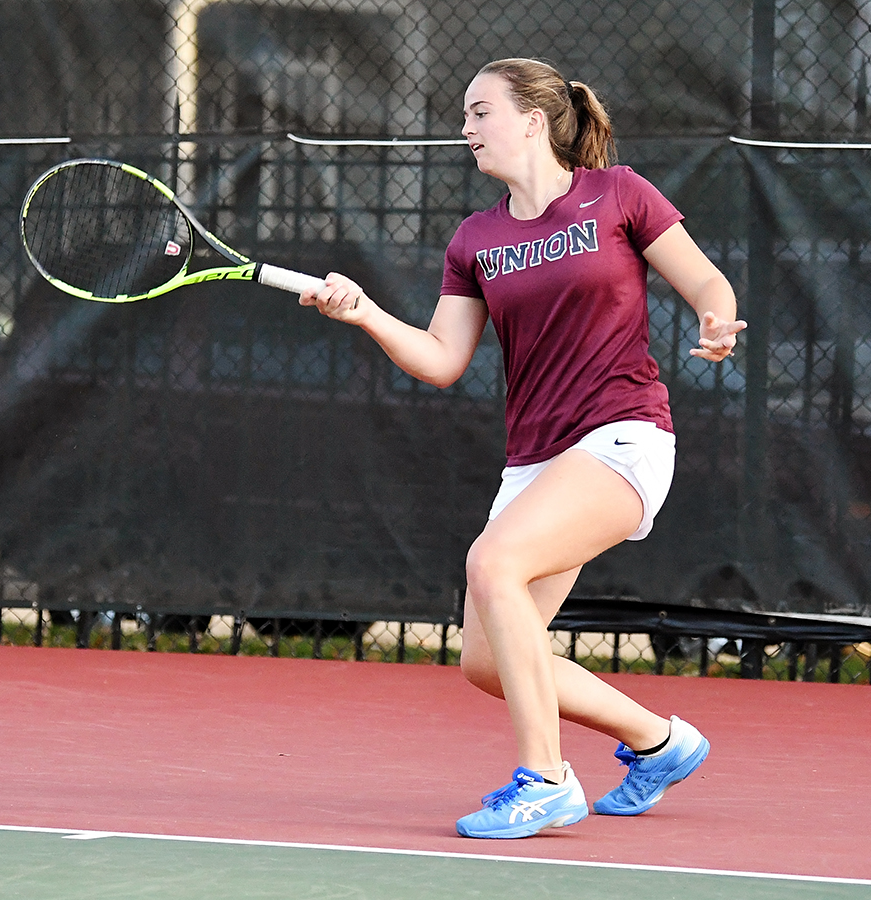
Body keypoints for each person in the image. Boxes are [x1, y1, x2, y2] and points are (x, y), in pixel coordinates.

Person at [300, 58, 745, 839]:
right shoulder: (476, 239)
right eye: (465, 115)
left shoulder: (619, 194)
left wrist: (716, 317)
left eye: (481, 112)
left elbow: (707, 281)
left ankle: (546, 780)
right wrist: (366, 312)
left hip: (623, 434)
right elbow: (443, 358)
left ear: (534, 121)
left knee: (493, 563)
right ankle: (661, 742)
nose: (465, 129)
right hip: (536, 460)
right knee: (486, 663)